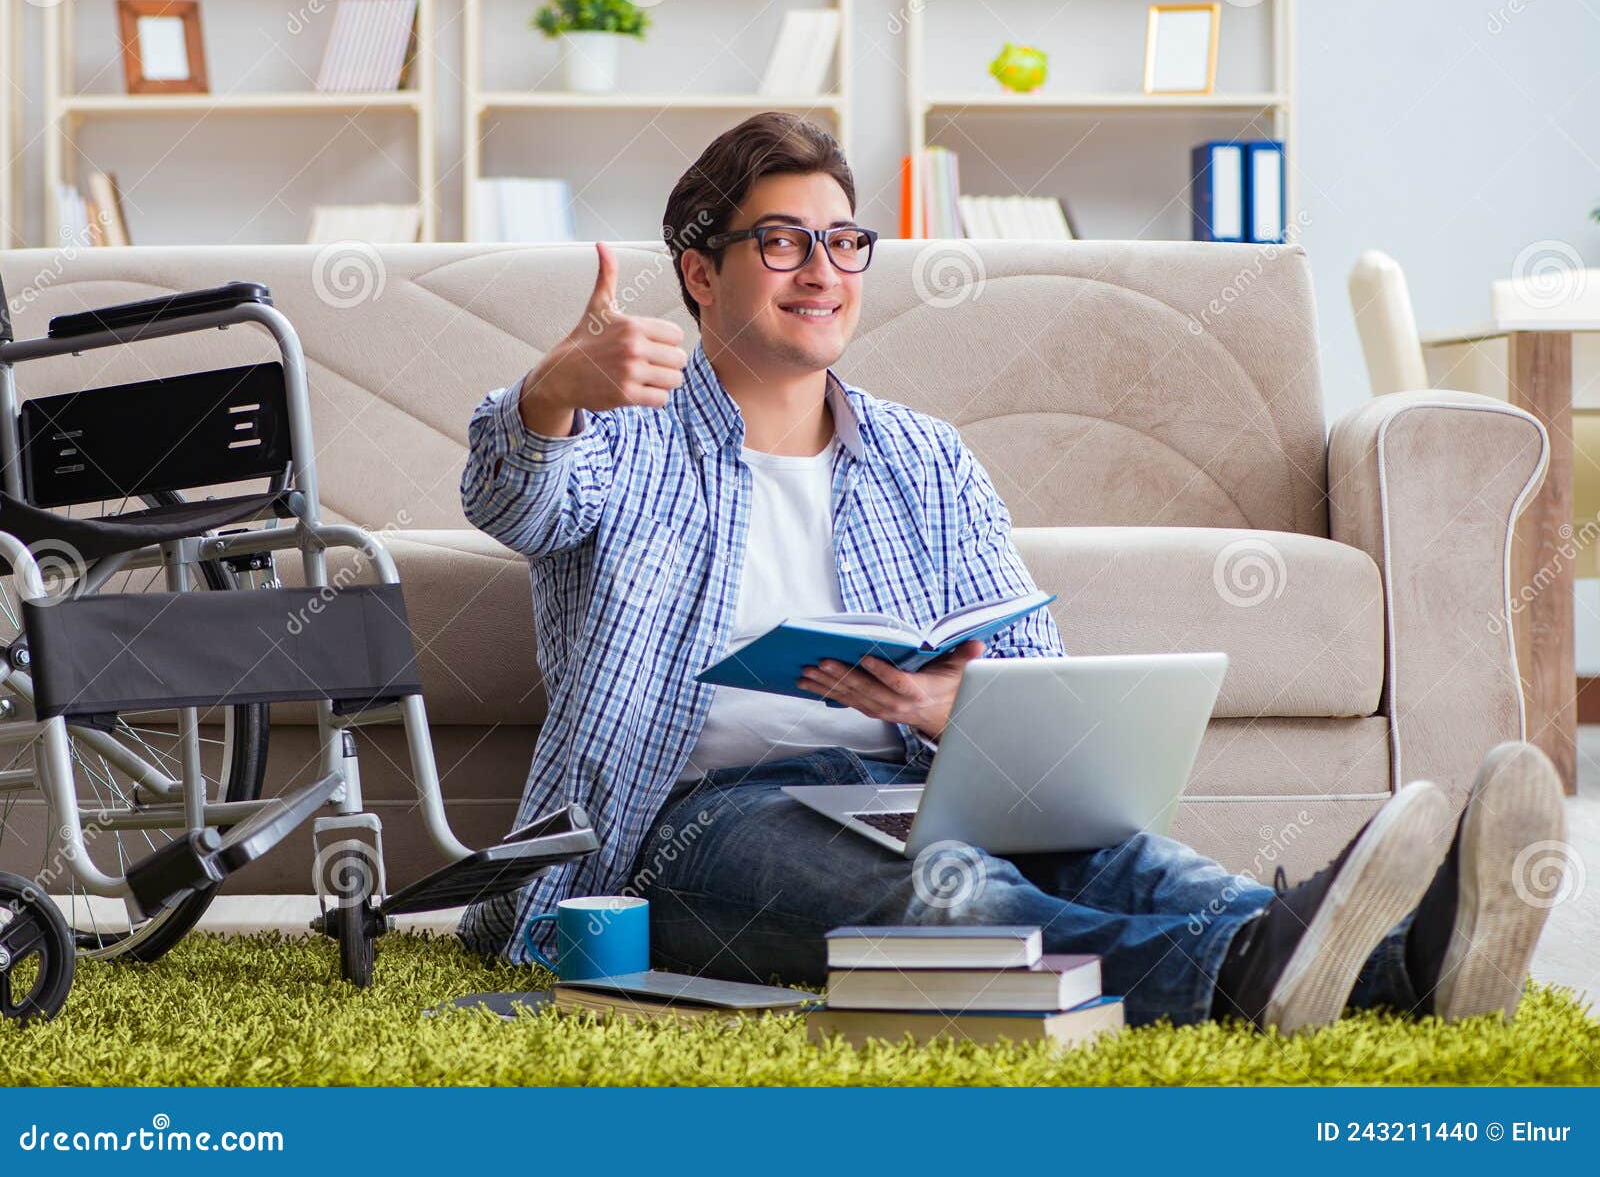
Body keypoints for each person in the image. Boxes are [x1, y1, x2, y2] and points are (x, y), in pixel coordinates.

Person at [458, 111, 1566, 1031]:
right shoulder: (618, 432)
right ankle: (1260, 972)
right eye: (784, 242)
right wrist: (552, 387)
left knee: (1135, 863)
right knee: (959, 898)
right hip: (693, 826)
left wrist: (954, 705)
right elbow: (515, 499)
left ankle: (1398, 970)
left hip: (914, 783)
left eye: (845, 243)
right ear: (701, 272)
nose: (823, 270)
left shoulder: (923, 455)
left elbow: (1030, 667)